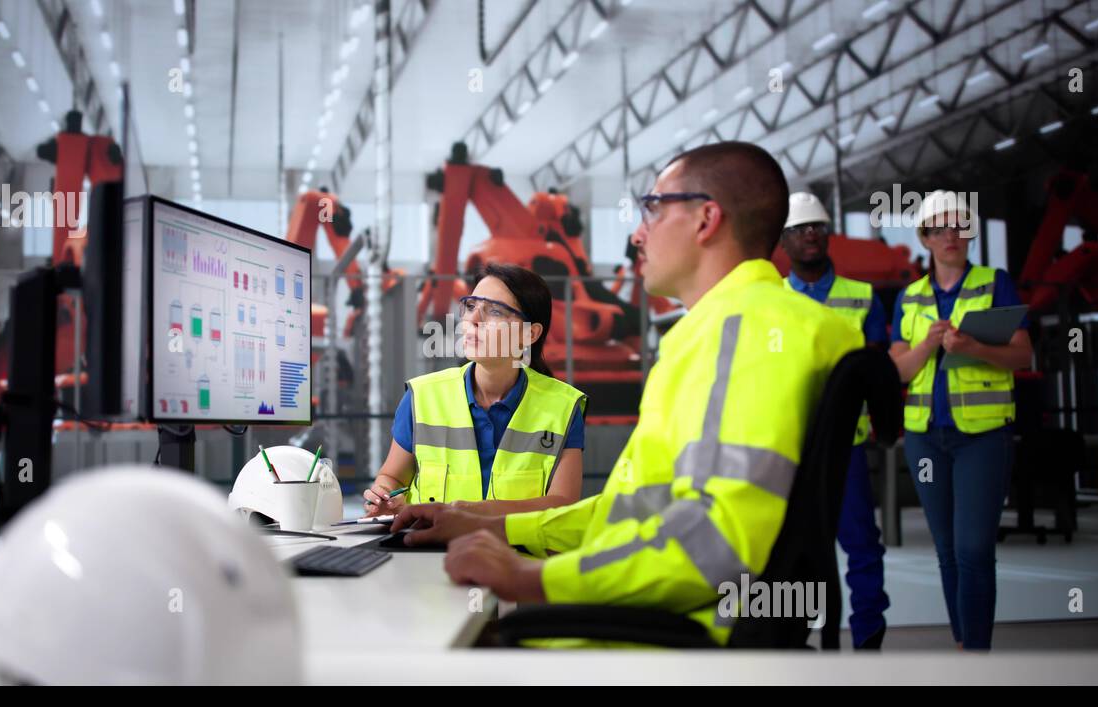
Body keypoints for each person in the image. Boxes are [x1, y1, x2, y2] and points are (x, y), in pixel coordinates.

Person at [390, 142, 862, 644]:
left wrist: (531, 579)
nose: (638, 234)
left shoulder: (746, 329)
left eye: (653, 210)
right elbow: (632, 510)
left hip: (665, 638)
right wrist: (480, 521)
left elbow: (714, 543)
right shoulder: (724, 329)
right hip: (657, 619)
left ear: (706, 219)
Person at [889, 190, 1033, 651]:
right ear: (926, 238)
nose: (950, 235)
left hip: (983, 437)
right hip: (925, 438)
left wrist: (975, 349)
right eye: (939, 228)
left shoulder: (996, 283)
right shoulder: (908, 298)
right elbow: (899, 372)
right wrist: (927, 346)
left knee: (973, 549)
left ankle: (976, 654)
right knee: (948, 550)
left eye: (959, 226)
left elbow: (1022, 354)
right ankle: (962, 644)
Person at [363, 263, 586, 518]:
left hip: (516, 556)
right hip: (427, 554)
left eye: (495, 311)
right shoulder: (422, 397)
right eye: (471, 307)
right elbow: (391, 477)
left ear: (530, 334)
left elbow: (563, 506)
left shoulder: (563, 407)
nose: (473, 320)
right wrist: (383, 495)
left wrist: (471, 512)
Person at [779, 192, 892, 649]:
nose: (811, 233)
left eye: (818, 227)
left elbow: (880, 372)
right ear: (783, 240)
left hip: (846, 447)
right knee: (794, 551)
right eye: (801, 228)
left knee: (861, 545)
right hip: (788, 449)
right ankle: (796, 640)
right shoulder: (770, 301)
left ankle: (868, 644)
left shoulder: (863, 298)